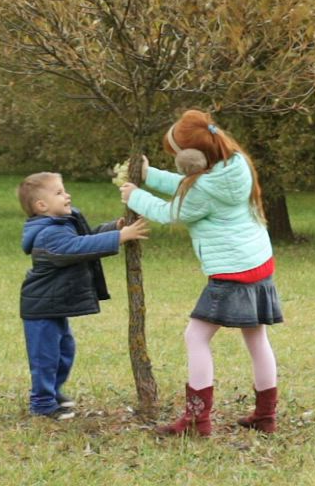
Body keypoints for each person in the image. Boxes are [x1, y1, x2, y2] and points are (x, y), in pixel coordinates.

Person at [119, 110, 282, 436]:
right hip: (258, 264)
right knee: (256, 337)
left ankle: (197, 420)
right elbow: (188, 184)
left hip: (232, 273)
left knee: (195, 337)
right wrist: (151, 176)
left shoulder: (205, 190)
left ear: (193, 157)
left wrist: (135, 196)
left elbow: (170, 212)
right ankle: (266, 416)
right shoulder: (235, 163)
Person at [18, 171, 149, 420]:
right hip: (41, 309)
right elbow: (78, 247)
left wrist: (113, 228)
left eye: (64, 190)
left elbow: (86, 238)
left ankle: (53, 393)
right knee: (45, 358)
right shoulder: (48, 234)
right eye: (59, 193)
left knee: (64, 351)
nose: (67, 195)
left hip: (54, 306)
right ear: (42, 206)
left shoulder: (62, 224)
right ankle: (42, 404)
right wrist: (120, 237)